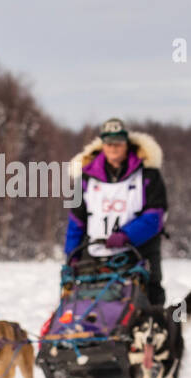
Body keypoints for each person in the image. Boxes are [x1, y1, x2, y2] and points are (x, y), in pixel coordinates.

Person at [65, 118, 168, 305]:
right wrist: (72, 254)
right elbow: (76, 220)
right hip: (95, 252)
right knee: (87, 303)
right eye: (109, 143)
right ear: (102, 145)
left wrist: (126, 235)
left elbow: (155, 217)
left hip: (138, 252)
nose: (113, 148)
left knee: (149, 302)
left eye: (118, 143)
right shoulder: (85, 179)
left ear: (126, 144)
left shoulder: (148, 175)